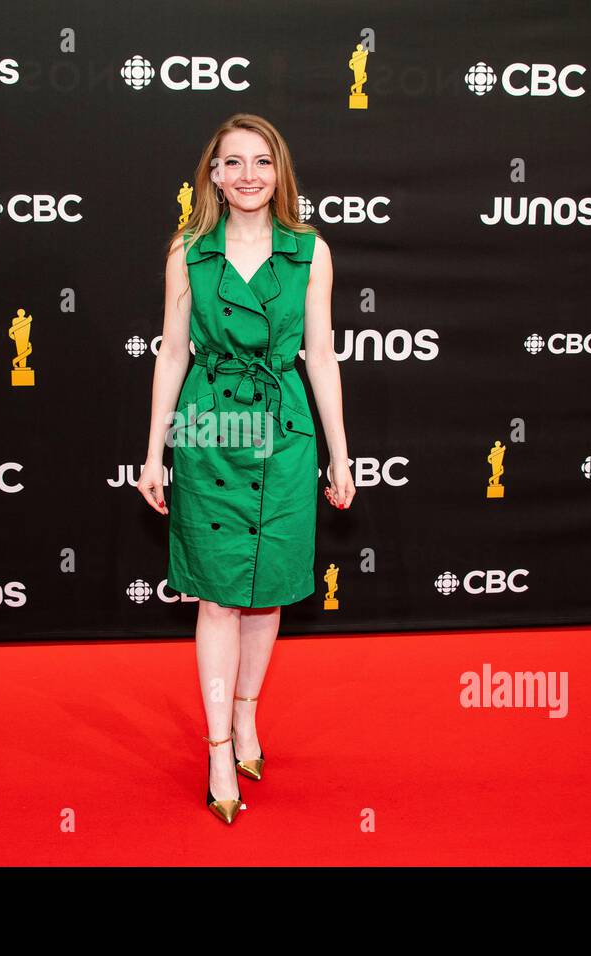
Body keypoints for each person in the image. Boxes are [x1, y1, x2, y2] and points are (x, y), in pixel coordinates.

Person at [137, 114, 356, 824]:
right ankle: (219, 747)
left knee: (268, 592)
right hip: (209, 430)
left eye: (262, 161)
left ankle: (250, 718)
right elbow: (172, 353)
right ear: (214, 176)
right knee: (219, 595)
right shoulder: (189, 253)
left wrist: (340, 453)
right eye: (233, 163)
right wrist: (153, 452)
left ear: (279, 172)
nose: (249, 175)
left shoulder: (309, 252)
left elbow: (320, 356)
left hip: (285, 431)